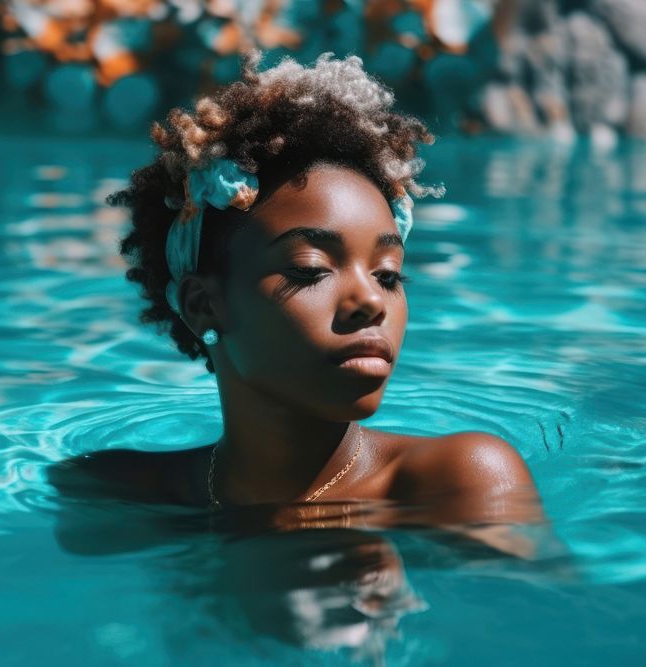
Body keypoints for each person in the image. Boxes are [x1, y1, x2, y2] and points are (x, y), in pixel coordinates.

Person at [48, 49, 544, 538]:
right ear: (203, 306)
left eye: (388, 275)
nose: (371, 302)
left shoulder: (456, 482)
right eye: (310, 269)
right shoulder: (114, 493)